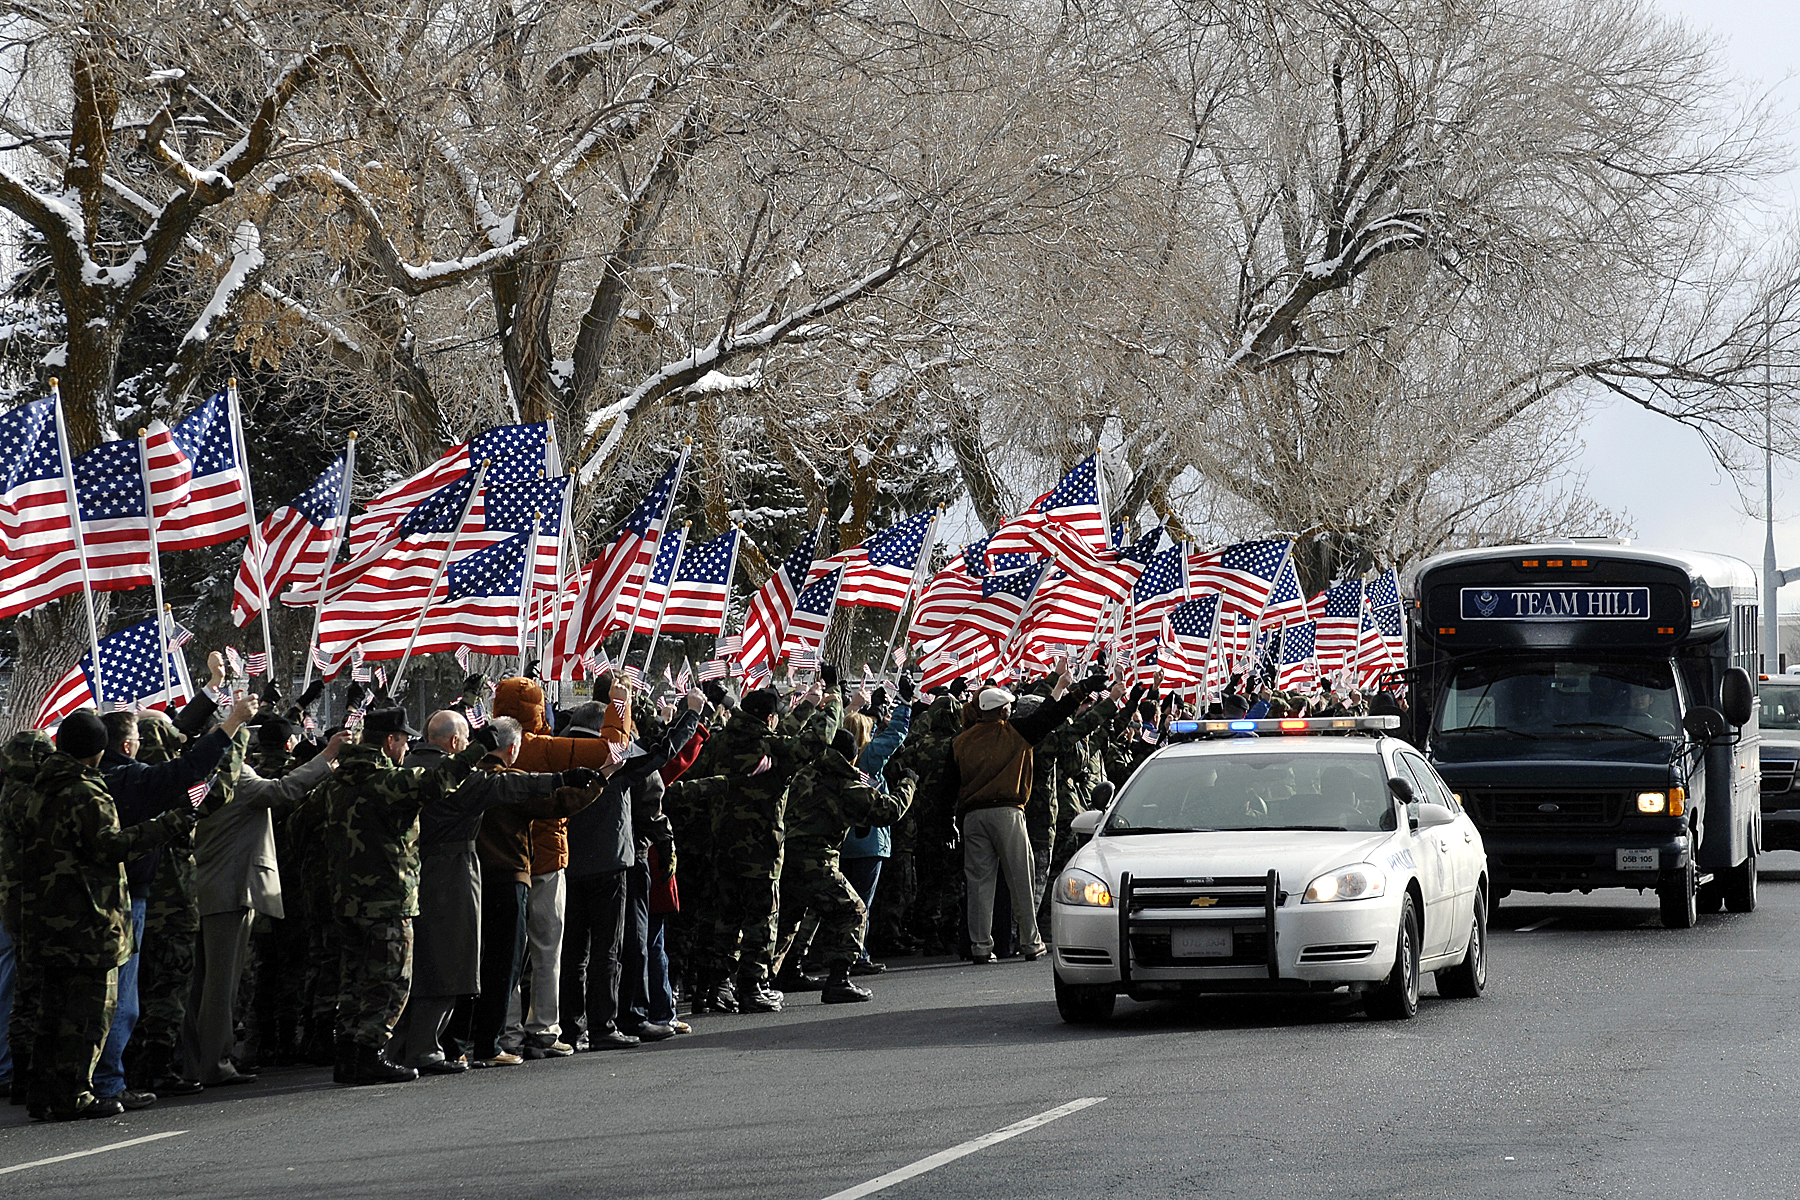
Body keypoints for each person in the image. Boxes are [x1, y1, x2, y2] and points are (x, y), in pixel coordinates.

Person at [394, 714, 599, 1073]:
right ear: (457, 743)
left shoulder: (402, 770)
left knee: (412, 964)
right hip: (457, 876)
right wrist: (572, 779)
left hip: (404, 875)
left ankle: (411, 1046)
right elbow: (513, 789)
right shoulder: (463, 781)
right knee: (462, 964)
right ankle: (435, 1047)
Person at [18, 710, 195, 1120]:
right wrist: (166, 825)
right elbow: (110, 847)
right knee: (89, 1014)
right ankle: (76, 1092)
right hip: (88, 918)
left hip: (47, 917)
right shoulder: (86, 792)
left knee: (53, 1012)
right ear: (100, 752)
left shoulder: (38, 789)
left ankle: (44, 1092)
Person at [320, 706, 488, 1085]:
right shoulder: (383, 780)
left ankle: (347, 1057)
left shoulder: (338, 780)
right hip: (386, 898)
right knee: (390, 981)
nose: (407, 746)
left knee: (353, 982)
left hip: (346, 900)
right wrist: (478, 751)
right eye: (404, 739)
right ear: (389, 741)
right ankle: (370, 1054)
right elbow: (436, 783)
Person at [184, 726, 343, 1087]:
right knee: (222, 985)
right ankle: (215, 1062)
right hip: (232, 890)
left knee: (202, 985)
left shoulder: (200, 775)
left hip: (209, 888)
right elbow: (282, 790)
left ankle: (195, 1061)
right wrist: (327, 756)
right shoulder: (235, 777)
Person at [561, 690, 703, 1048]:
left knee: (573, 953)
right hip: (610, 863)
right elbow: (662, 753)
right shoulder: (613, 758)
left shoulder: (555, 753)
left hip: (567, 863)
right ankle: (604, 1026)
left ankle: (572, 1028)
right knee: (608, 951)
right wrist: (690, 717)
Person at [690, 676, 838, 1015]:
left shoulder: (719, 741)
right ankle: (752, 988)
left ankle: (716, 987)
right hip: (762, 849)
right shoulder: (772, 746)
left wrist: (806, 706)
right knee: (761, 920)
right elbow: (817, 740)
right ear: (769, 718)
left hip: (722, 843)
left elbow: (698, 776)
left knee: (725, 918)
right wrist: (834, 702)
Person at [942, 669, 1085, 965]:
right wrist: (1073, 692)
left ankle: (980, 946)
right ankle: (1031, 942)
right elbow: (1049, 716)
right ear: (1001, 710)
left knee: (980, 884)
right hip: (1008, 814)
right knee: (1021, 878)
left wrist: (949, 823)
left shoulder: (960, 742)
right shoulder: (1015, 733)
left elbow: (947, 789)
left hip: (972, 818)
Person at [774, 717, 917, 1003]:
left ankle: (784, 971)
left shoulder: (804, 773)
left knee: (796, 916)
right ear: (852, 757)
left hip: (784, 856)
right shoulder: (844, 784)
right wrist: (908, 783)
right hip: (817, 858)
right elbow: (888, 810)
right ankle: (839, 979)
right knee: (853, 911)